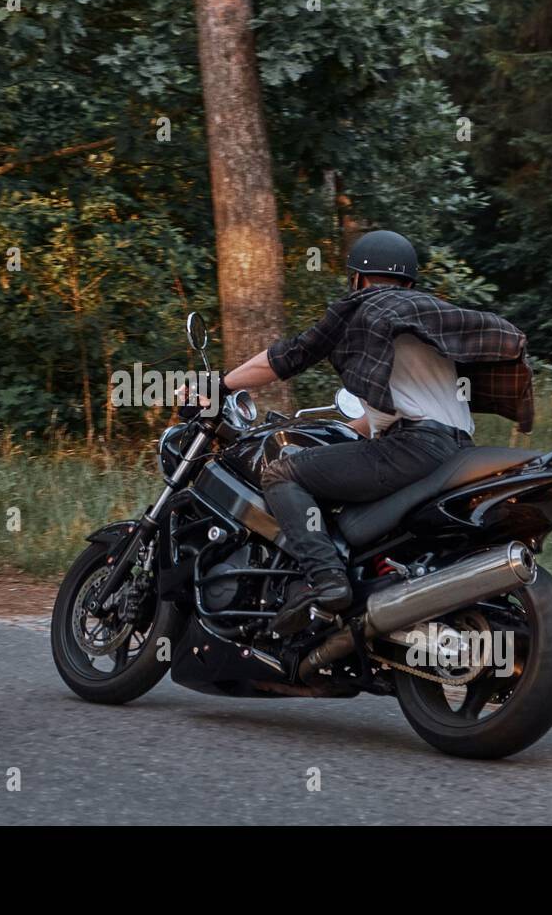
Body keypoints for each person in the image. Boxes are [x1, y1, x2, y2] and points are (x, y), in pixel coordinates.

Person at [218, 230, 535, 635]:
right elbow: (398, 406)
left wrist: (220, 386)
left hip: (414, 447)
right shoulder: (429, 318)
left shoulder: (360, 309)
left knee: (282, 474)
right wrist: (339, 428)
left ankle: (326, 581)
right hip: (455, 447)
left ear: (358, 279)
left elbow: (288, 356)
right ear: (408, 283)